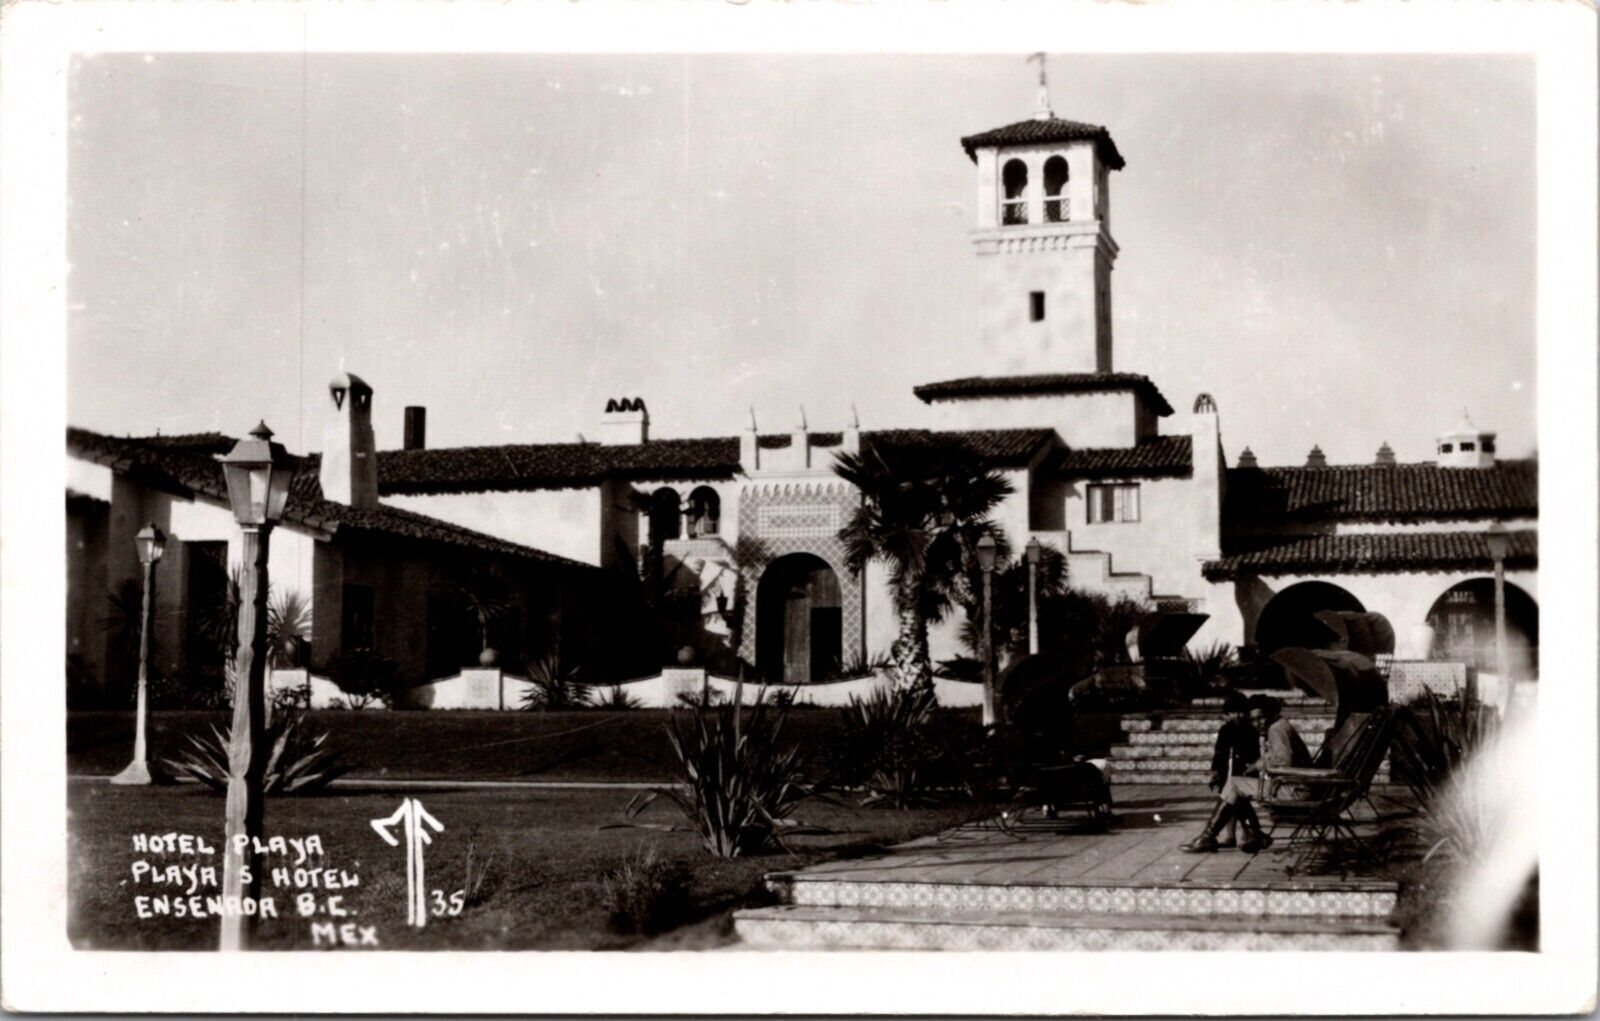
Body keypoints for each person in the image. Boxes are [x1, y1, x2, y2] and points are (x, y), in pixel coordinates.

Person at [1182, 694, 1311, 854]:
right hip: (1296, 787)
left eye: (1261, 717)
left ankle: (1209, 837)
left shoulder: (1275, 729)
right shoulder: (1281, 725)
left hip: (1293, 790)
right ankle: (1252, 834)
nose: (1257, 723)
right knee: (1238, 785)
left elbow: (1284, 761)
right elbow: (1278, 756)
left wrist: (1259, 766)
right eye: (1253, 720)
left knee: (1234, 784)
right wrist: (1256, 765)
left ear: (1270, 713)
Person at [1205, 691, 1258, 848]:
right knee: (1230, 803)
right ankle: (1233, 834)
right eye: (1233, 712)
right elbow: (1219, 752)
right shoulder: (1225, 730)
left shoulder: (1250, 730)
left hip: (1243, 771)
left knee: (1237, 803)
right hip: (1226, 771)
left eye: (1241, 712)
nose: (1238, 716)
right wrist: (1216, 773)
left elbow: (1255, 753)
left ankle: (1248, 832)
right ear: (1227, 714)